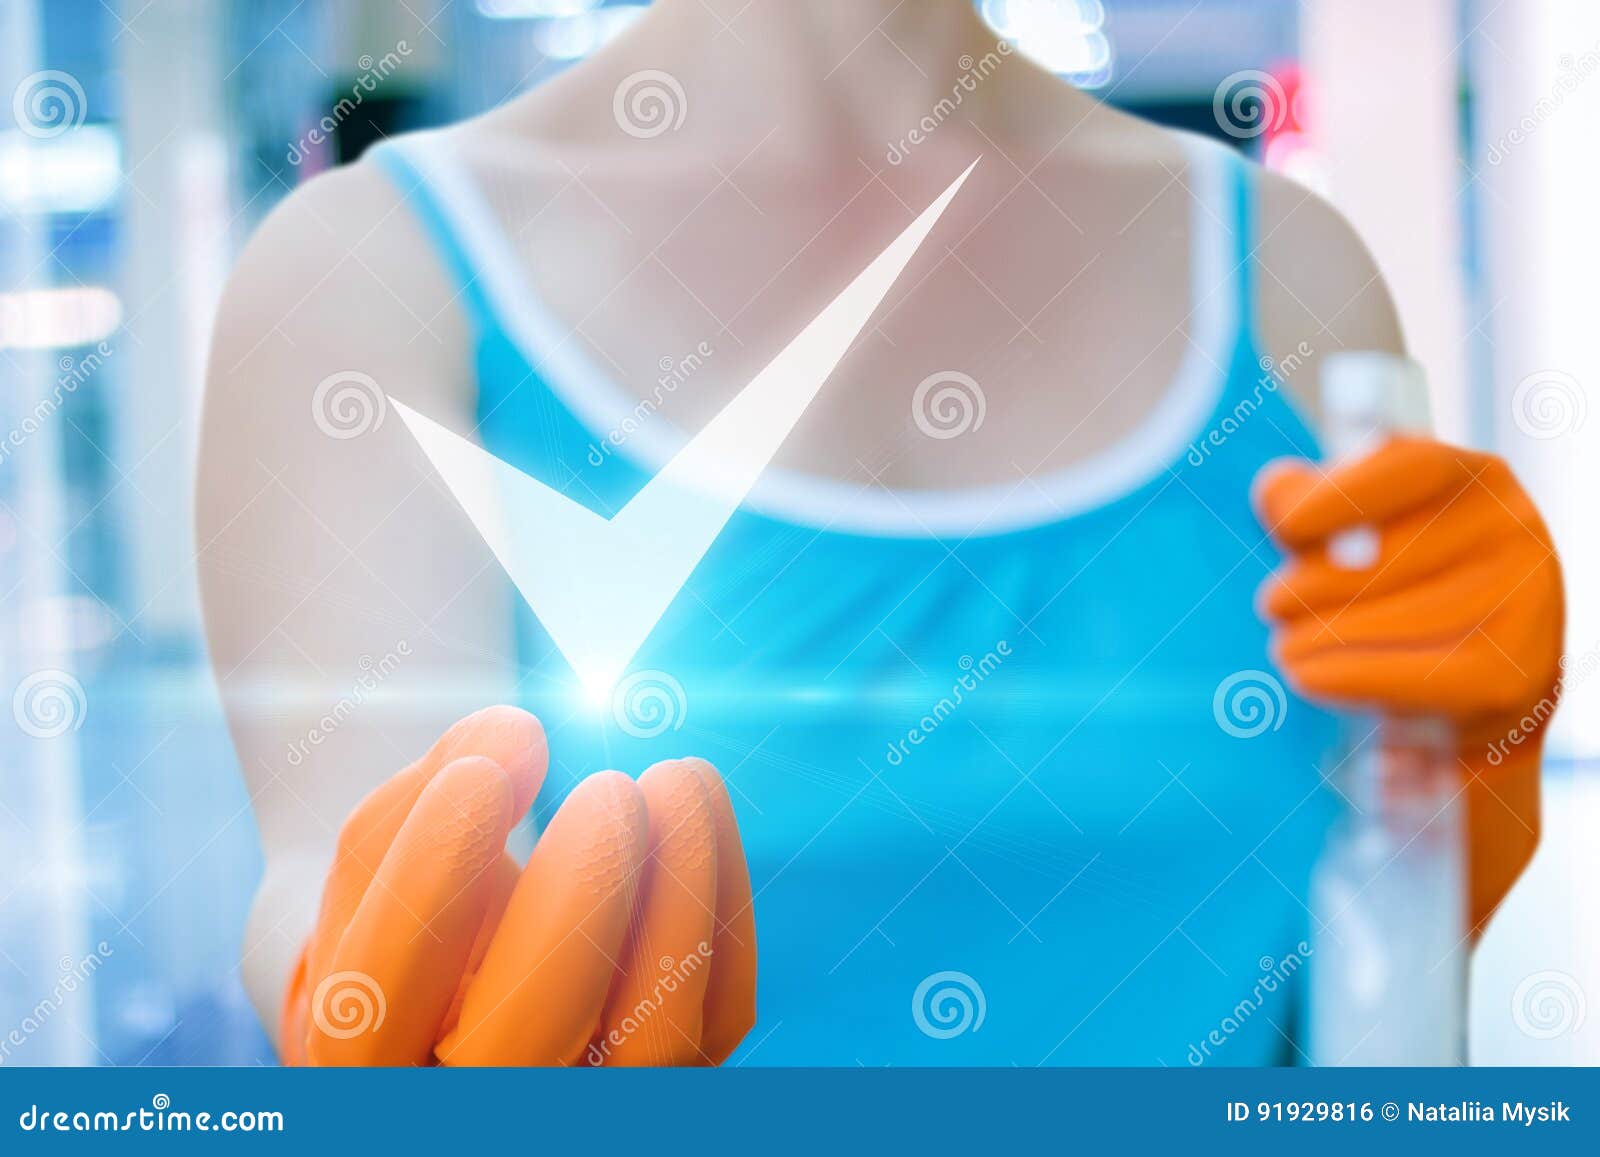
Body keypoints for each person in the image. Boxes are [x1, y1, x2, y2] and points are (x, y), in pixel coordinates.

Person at [198, 0, 1562, 1065]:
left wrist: (1473, 793)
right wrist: (374, 1013)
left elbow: (1378, 998)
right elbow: (328, 877)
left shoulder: (1291, 265)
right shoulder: (371, 275)